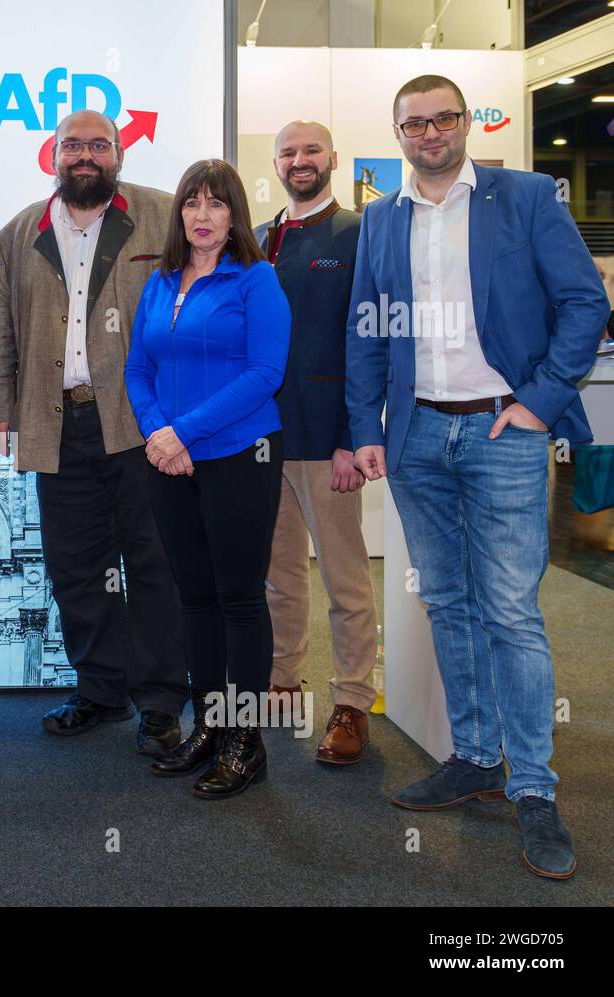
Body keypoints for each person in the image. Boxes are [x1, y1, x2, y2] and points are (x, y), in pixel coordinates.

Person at [347, 75, 608, 879]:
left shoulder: (524, 197)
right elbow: (364, 327)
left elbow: (584, 302)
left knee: (511, 612)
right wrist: (367, 430)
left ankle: (533, 786)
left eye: (441, 119)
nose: (428, 133)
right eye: (413, 123)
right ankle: (475, 755)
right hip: (418, 431)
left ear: (464, 123)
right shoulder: (383, 218)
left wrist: (537, 403)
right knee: (448, 600)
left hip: (505, 430)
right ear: (396, 134)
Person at [0, 109, 188, 752]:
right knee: (78, 566)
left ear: (118, 153)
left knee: (153, 561)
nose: (84, 156)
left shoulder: (164, 216)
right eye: (71, 145)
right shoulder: (18, 234)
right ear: (53, 155)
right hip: (56, 420)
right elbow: (3, 335)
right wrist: (2, 411)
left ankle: (160, 699)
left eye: (98, 145)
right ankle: (100, 689)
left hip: (142, 421)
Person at [125, 158, 290, 797]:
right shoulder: (162, 283)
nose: (202, 216)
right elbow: (138, 368)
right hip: (170, 459)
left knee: (239, 598)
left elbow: (264, 373)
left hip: (238, 454)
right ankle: (210, 726)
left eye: (216, 204)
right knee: (193, 598)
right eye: (192, 204)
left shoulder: (257, 281)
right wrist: (158, 434)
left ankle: (246, 742)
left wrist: (181, 433)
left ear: (234, 214)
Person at [255, 121, 379, 764]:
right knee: (278, 576)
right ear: (275, 162)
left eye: (311, 151)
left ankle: (353, 702)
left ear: (332, 158)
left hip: (327, 439)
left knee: (346, 580)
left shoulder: (360, 232)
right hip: (261, 440)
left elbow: (368, 341)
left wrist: (352, 439)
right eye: (288, 152)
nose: (299, 161)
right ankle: (281, 681)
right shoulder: (257, 238)